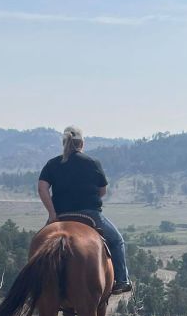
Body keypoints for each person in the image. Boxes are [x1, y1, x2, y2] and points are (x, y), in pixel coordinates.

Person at [37, 126, 131, 294]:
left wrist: (52, 214)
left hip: (60, 216)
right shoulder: (92, 163)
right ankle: (122, 280)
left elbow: (42, 188)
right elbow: (102, 191)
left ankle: (34, 285)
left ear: (64, 143)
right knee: (117, 241)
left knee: (39, 246)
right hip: (90, 215)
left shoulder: (52, 164)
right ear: (82, 143)